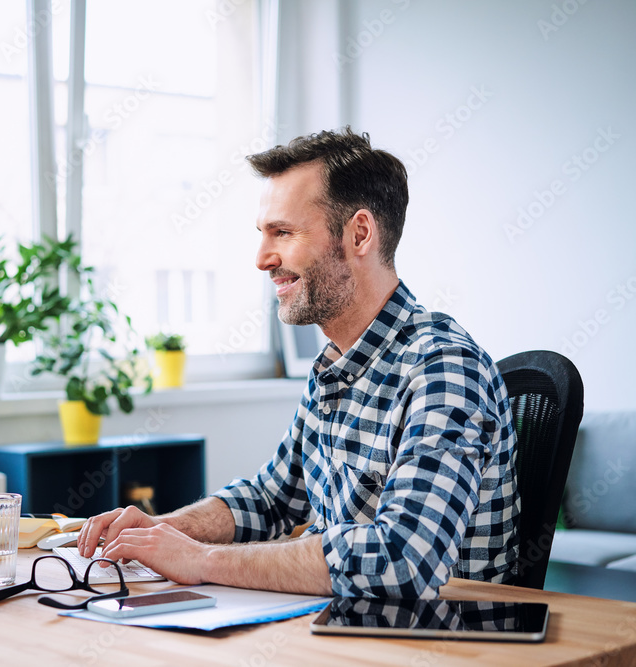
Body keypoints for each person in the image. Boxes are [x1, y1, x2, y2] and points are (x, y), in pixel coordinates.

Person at [77, 128, 519, 598]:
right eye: (263, 234)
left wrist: (201, 560)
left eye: (283, 233)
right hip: (340, 628)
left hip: (436, 642)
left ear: (360, 234)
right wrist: (160, 531)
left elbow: (402, 559)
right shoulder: (335, 366)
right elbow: (271, 499)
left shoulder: (442, 369)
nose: (263, 259)